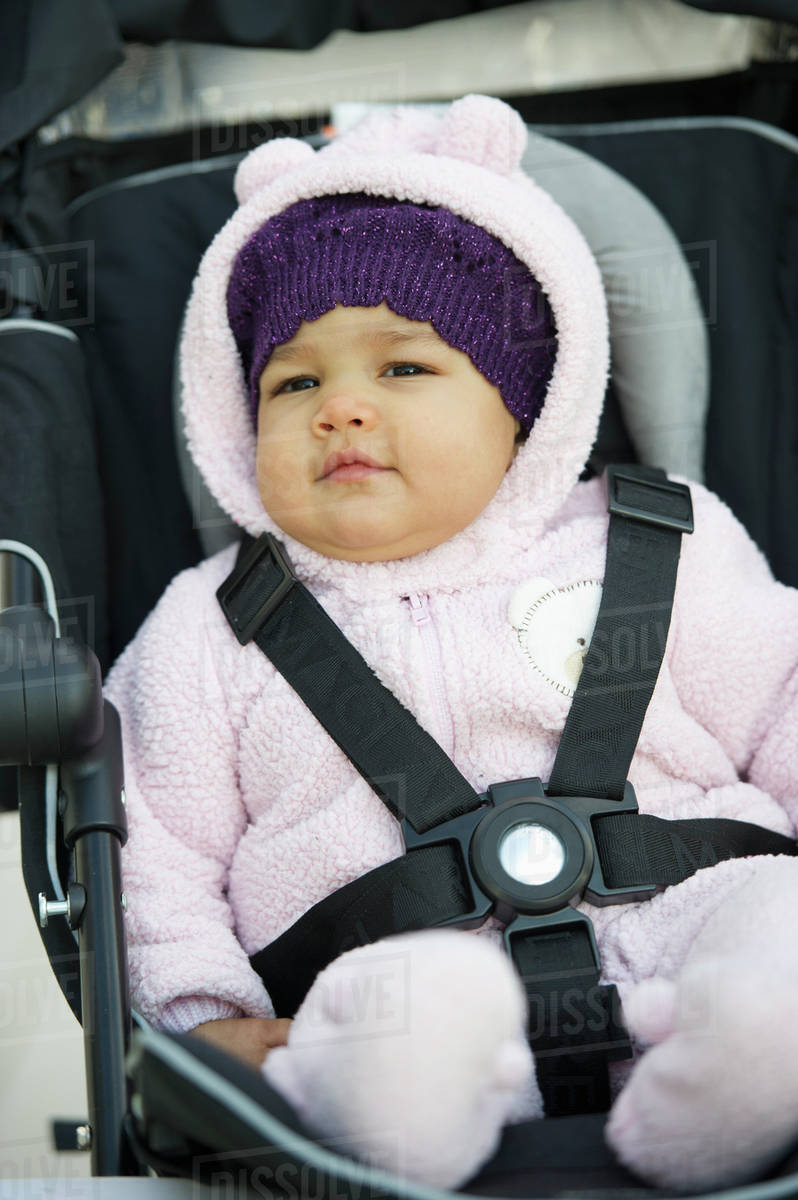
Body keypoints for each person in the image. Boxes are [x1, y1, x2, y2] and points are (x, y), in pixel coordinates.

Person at [104, 95, 798, 1192]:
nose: (340, 408)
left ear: (523, 409)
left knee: (784, 941)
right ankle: (393, 1122)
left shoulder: (661, 544)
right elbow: (154, 849)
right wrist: (202, 1021)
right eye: (295, 381)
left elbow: (785, 701)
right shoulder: (208, 626)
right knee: (401, 1024)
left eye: (404, 369)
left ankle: (742, 1080)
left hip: (689, 925)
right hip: (392, 970)